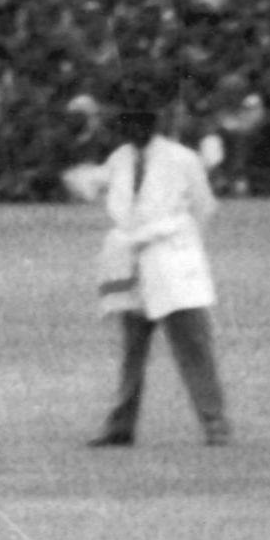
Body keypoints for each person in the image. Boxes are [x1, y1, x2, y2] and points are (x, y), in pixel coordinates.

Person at [90, 97, 234, 446]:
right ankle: (120, 426)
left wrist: (180, 249)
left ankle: (215, 425)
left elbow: (204, 206)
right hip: (134, 262)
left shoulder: (181, 159)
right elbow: (113, 197)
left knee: (193, 347)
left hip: (172, 261)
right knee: (132, 350)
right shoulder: (121, 159)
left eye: (136, 125)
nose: (130, 132)